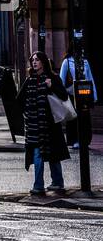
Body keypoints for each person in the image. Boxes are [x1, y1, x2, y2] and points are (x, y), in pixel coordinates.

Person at [17, 51, 71, 196]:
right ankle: (39, 185)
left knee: (53, 155)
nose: (34, 63)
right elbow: (19, 100)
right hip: (35, 126)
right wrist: (27, 113)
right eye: (32, 60)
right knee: (38, 154)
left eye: (37, 60)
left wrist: (52, 85)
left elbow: (64, 95)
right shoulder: (30, 80)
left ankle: (57, 182)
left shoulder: (52, 78)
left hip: (50, 125)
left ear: (43, 62)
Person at [60, 44, 97, 150]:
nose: (82, 50)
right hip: (71, 95)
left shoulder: (85, 62)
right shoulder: (66, 62)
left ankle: (85, 140)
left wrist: (94, 95)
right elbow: (61, 80)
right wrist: (61, 97)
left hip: (84, 94)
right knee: (73, 119)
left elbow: (90, 79)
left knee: (85, 118)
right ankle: (74, 140)